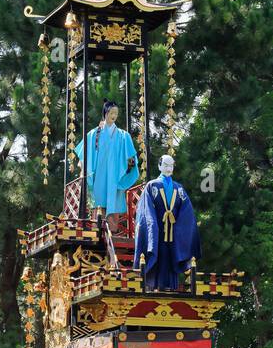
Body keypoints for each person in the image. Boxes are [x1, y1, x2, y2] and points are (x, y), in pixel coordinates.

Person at [134, 153, 202, 290]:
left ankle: (171, 285)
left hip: (174, 228)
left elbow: (187, 210)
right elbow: (145, 209)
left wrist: (181, 228)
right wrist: (152, 226)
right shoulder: (152, 186)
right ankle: (155, 284)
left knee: (172, 253)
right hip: (158, 226)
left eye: (171, 165)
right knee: (158, 252)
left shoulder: (179, 188)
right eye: (166, 165)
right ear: (159, 166)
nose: (169, 168)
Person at [75, 99, 138, 230]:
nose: (114, 116)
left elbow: (131, 158)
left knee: (113, 202)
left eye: (116, 113)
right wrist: (83, 169)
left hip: (115, 177)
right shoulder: (94, 134)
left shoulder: (123, 136)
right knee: (98, 203)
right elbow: (83, 155)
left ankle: (112, 231)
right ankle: (97, 229)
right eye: (111, 113)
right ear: (105, 113)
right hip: (99, 176)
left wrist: (127, 171)